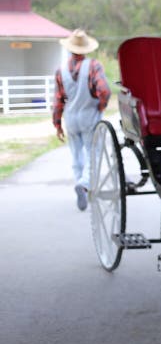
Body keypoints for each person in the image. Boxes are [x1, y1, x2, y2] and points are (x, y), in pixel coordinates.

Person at [53, 29, 111, 211]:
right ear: (86, 49)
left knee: (76, 155)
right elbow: (105, 91)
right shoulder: (93, 66)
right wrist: (100, 106)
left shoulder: (61, 70)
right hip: (89, 115)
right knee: (92, 152)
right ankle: (85, 184)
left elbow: (58, 100)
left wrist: (57, 124)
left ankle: (80, 185)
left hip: (71, 116)